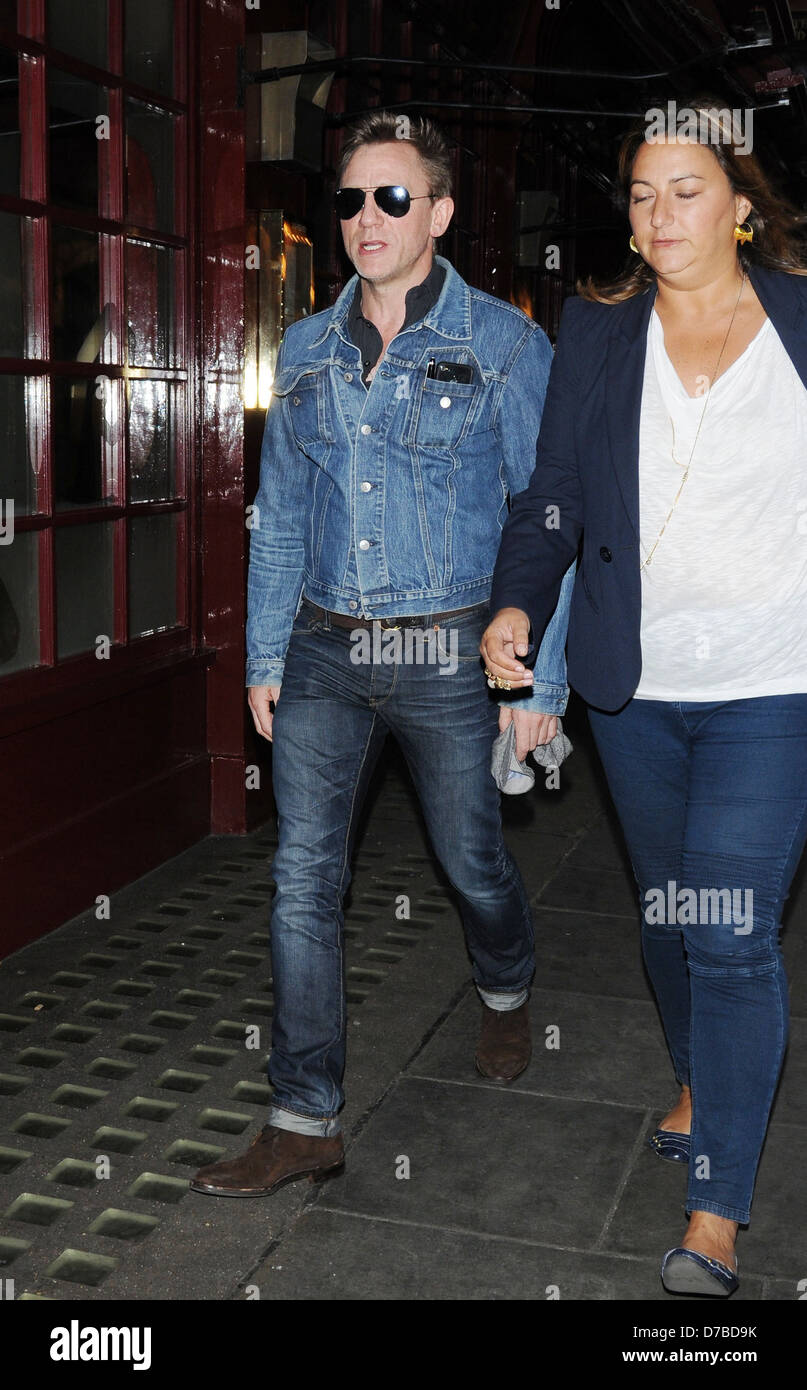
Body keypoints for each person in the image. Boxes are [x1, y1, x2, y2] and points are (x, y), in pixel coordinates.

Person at [191, 111, 575, 1201]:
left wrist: (539, 681)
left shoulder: (505, 344)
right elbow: (282, 513)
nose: (366, 217)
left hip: (451, 647)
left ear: (440, 215)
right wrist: (264, 653)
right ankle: (304, 1114)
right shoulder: (307, 345)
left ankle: (505, 989)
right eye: (352, 199)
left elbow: (548, 517)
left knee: (471, 863)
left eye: (392, 198)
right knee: (303, 878)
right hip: (321, 646)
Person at [481, 94, 807, 1298]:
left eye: (686, 191)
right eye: (640, 194)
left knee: (729, 931)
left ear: (738, 207)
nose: (659, 215)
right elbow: (554, 494)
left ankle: (715, 1204)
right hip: (638, 688)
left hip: (778, 681)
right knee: (674, 912)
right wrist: (518, 602)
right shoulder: (599, 332)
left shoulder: (801, 323)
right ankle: (699, 1072)